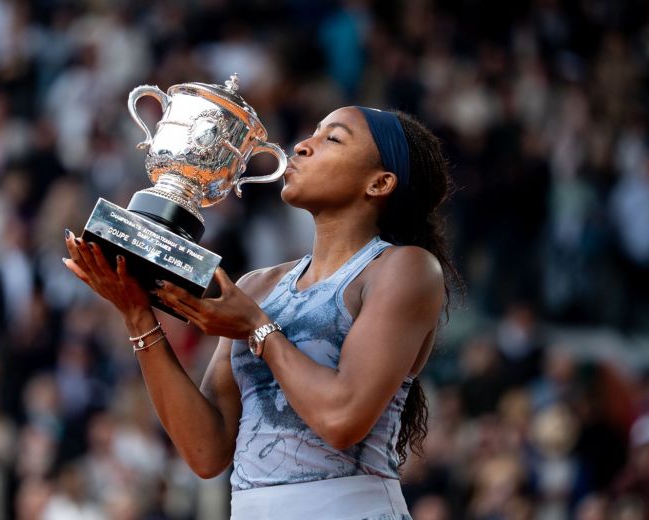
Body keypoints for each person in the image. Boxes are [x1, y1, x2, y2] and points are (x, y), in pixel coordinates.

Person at [63, 106, 459, 519]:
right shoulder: (257, 286)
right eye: (313, 132)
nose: (302, 146)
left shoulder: (405, 268)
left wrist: (257, 328)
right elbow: (206, 452)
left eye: (333, 138)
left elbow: (342, 419)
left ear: (379, 183)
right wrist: (138, 315)